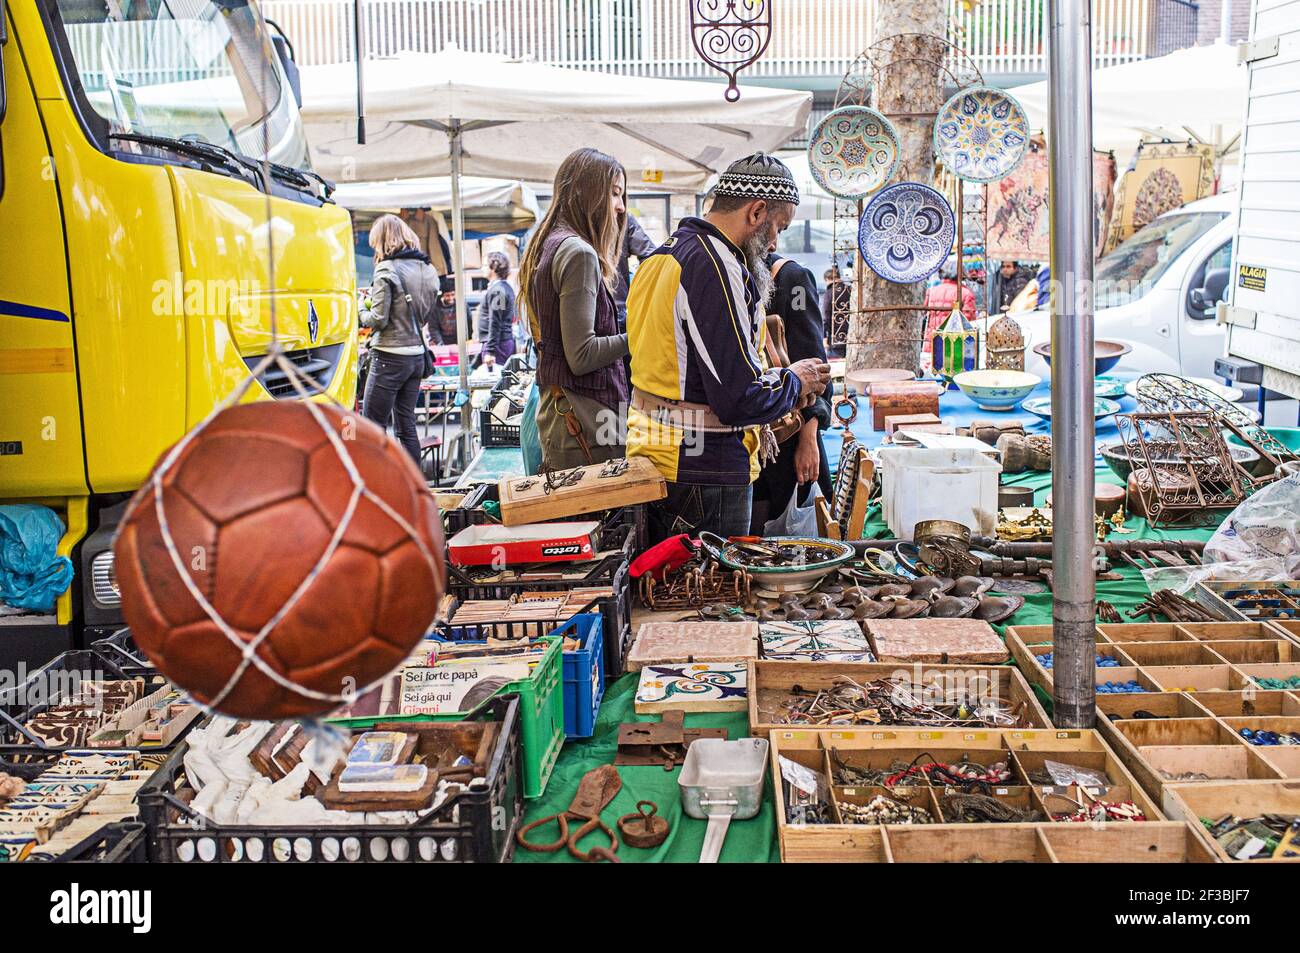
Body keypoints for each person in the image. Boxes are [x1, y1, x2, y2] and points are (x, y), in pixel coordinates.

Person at [626, 152, 831, 542]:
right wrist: (796, 380)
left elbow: (682, 367)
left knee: (679, 593)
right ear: (756, 212)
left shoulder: (663, 254)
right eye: (778, 227)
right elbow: (740, 400)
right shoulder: (715, 265)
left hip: (658, 454)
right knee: (715, 597)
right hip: (702, 471)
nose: (774, 243)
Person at [518, 147, 630, 470]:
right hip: (587, 423)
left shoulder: (548, 242)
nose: (621, 207)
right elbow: (581, 356)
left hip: (565, 416)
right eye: (614, 194)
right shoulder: (580, 254)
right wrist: (637, 336)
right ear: (588, 193)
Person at [750, 252, 834, 534]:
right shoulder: (723, 275)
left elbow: (817, 368)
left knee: (797, 542)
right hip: (750, 440)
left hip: (790, 438)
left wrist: (808, 439)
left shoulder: (791, 279)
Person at [359, 214, 440, 464]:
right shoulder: (428, 268)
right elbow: (425, 314)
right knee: (406, 426)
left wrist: (360, 308)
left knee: (373, 427)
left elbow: (379, 319)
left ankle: (381, 486)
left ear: (382, 241)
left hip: (389, 358)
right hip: (416, 356)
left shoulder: (386, 269)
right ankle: (414, 486)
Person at [922, 255, 977, 360]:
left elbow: (924, 314)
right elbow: (969, 321)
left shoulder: (932, 291)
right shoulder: (965, 293)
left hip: (931, 341)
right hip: (954, 343)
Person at [475, 251, 517, 367]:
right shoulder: (502, 287)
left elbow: (496, 321)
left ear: (493, 267)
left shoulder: (498, 290)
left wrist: (490, 350)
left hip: (498, 346)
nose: (482, 268)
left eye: (484, 265)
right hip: (500, 343)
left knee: (497, 381)